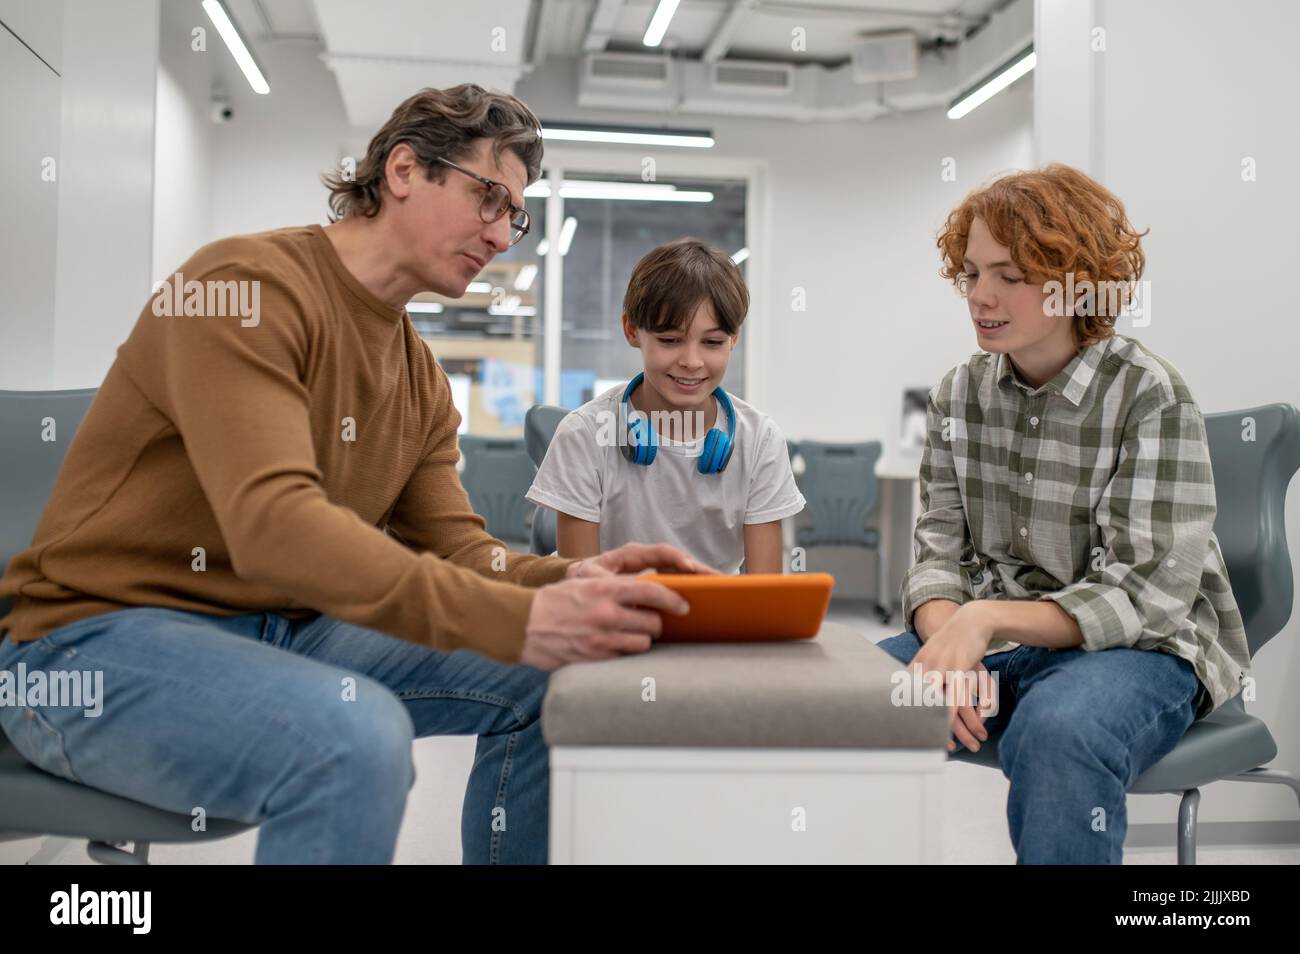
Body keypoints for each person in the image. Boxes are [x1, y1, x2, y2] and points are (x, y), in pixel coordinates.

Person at [0, 84, 706, 865]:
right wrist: (517, 618)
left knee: (554, 675)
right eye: (490, 199)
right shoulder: (245, 287)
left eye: (518, 216)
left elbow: (462, 550)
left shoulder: (421, 381)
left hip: (282, 634)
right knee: (354, 740)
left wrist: (571, 579)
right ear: (404, 169)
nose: (504, 234)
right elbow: (275, 526)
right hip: (84, 646)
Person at [877, 164, 1250, 864]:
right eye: (972, 273)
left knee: (1060, 732)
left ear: (1075, 280)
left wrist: (980, 620)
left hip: (1142, 649)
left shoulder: (1150, 393)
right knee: (852, 704)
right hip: (1005, 641)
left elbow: (1144, 594)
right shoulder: (959, 394)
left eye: (1009, 276)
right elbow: (938, 558)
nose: (981, 296)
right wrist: (952, 647)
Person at [527, 238, 805, 574]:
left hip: (715, 620)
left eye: (713, 342)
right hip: (613, 617)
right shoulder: (584, 435)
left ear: (734, 339)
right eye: (670, 340)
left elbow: (764, 596)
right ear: (632, 330)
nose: (691, 361)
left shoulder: (759, 439)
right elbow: (583, 591)